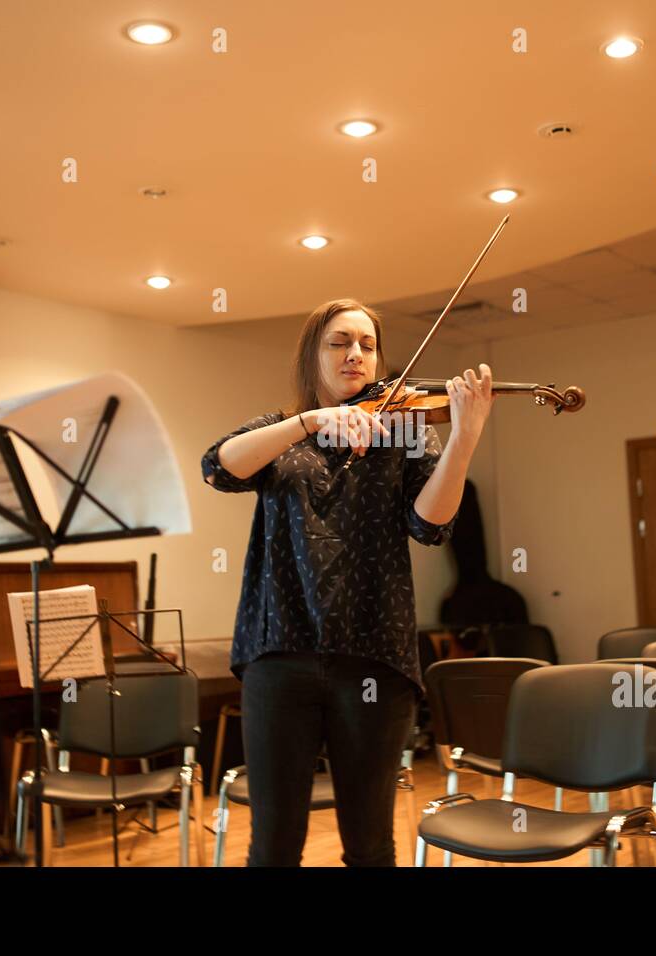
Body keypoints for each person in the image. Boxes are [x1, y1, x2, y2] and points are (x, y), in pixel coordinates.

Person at [201, 297, 494, 866]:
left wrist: (463, 438)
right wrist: (309, 421)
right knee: (274, 843)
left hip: (373, 656)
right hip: (279, 652)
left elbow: (431, 527)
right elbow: (219, 465)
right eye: (339, 342)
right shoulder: (282, 431)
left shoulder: (406, 433)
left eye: (366, 344)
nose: (354, 354)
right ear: (313, 357)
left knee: (370, 844)